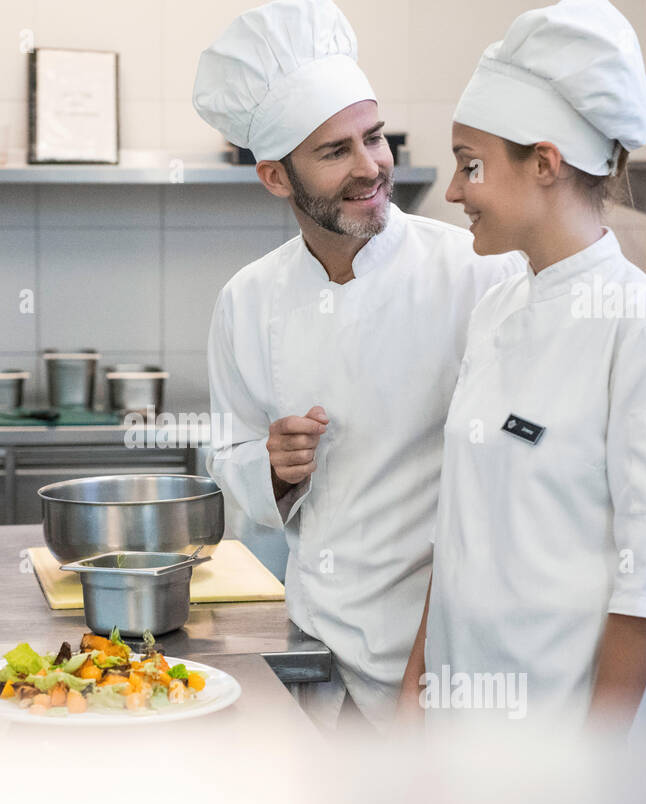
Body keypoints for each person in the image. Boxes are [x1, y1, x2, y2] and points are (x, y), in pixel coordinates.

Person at [193, 0, 523, 734]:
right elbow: (231, 462)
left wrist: (428, 677)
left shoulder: (477, 275)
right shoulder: (247, 300)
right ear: (276, 178)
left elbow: (502, 494)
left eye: (374, 138)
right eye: (336, 151)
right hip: (317, 653)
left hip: (446, 663)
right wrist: (274, 467)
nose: (372, 166)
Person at [397, 0, 646, 744]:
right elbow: (462, 531)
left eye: (471, 164)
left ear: (545, 162)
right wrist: (418, 694)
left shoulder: (645, 328)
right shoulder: (497, 310)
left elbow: (645, 589)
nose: (453, 190)